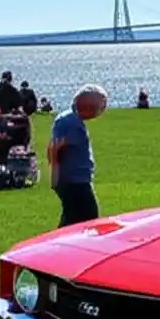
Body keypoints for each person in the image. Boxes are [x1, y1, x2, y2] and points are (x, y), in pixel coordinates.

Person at [48, 85, 107, 228]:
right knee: (86, 223)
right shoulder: (71, 123)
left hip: (72, 181)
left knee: (72, 221)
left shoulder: (68, 119)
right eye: (100, 107)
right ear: (87, 106)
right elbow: (55, 149)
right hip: (75, 182)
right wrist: (56, 175)